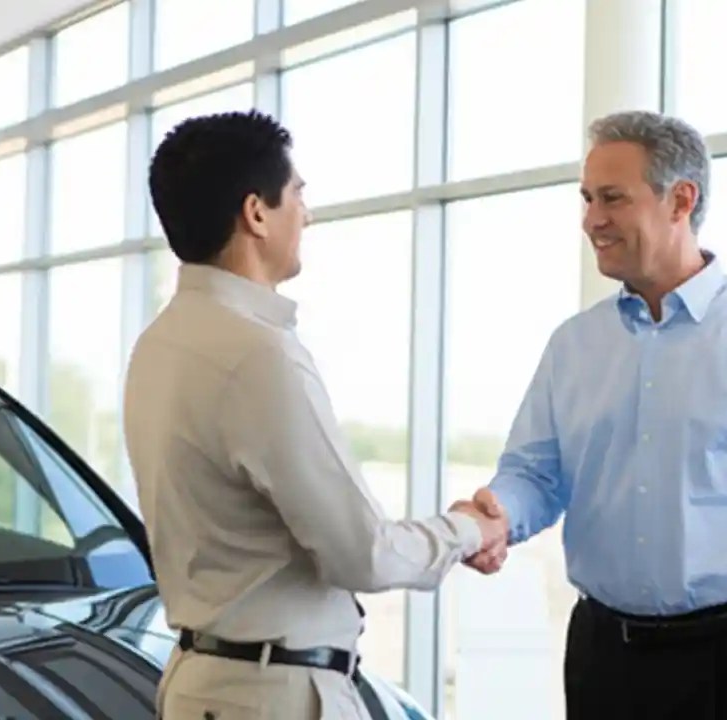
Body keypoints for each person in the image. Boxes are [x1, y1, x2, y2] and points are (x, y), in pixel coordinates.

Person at [453, 110, 727, 720]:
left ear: (681, 200)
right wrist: (495, 516)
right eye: (588, 198)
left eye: (612, 198)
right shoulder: (573, 346)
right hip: (602, 661)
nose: (592, 219)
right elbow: (536, 475)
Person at [123, 110, 507, 720]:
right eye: (297, 194)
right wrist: (468, 530)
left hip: (203, 684)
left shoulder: (158, 343)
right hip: (269, 694)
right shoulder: (256, 356)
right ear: (256, 213)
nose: (307, 212)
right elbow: (362, 553)